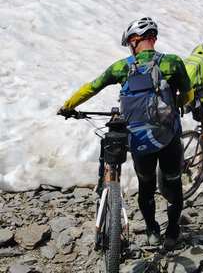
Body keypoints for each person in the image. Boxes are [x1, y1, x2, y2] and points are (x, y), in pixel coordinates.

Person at [58, 17, 192, 251]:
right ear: (153, 38)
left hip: (140, 141)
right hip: (169, 138)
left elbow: (93, 86)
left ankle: (151, 230)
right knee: (173, 184)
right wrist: (174, 106)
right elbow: (188, 95)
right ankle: (172, 232)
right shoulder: (172, 63)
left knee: (146, 185)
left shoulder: (121, 67)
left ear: (133, 41)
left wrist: (68, 106)